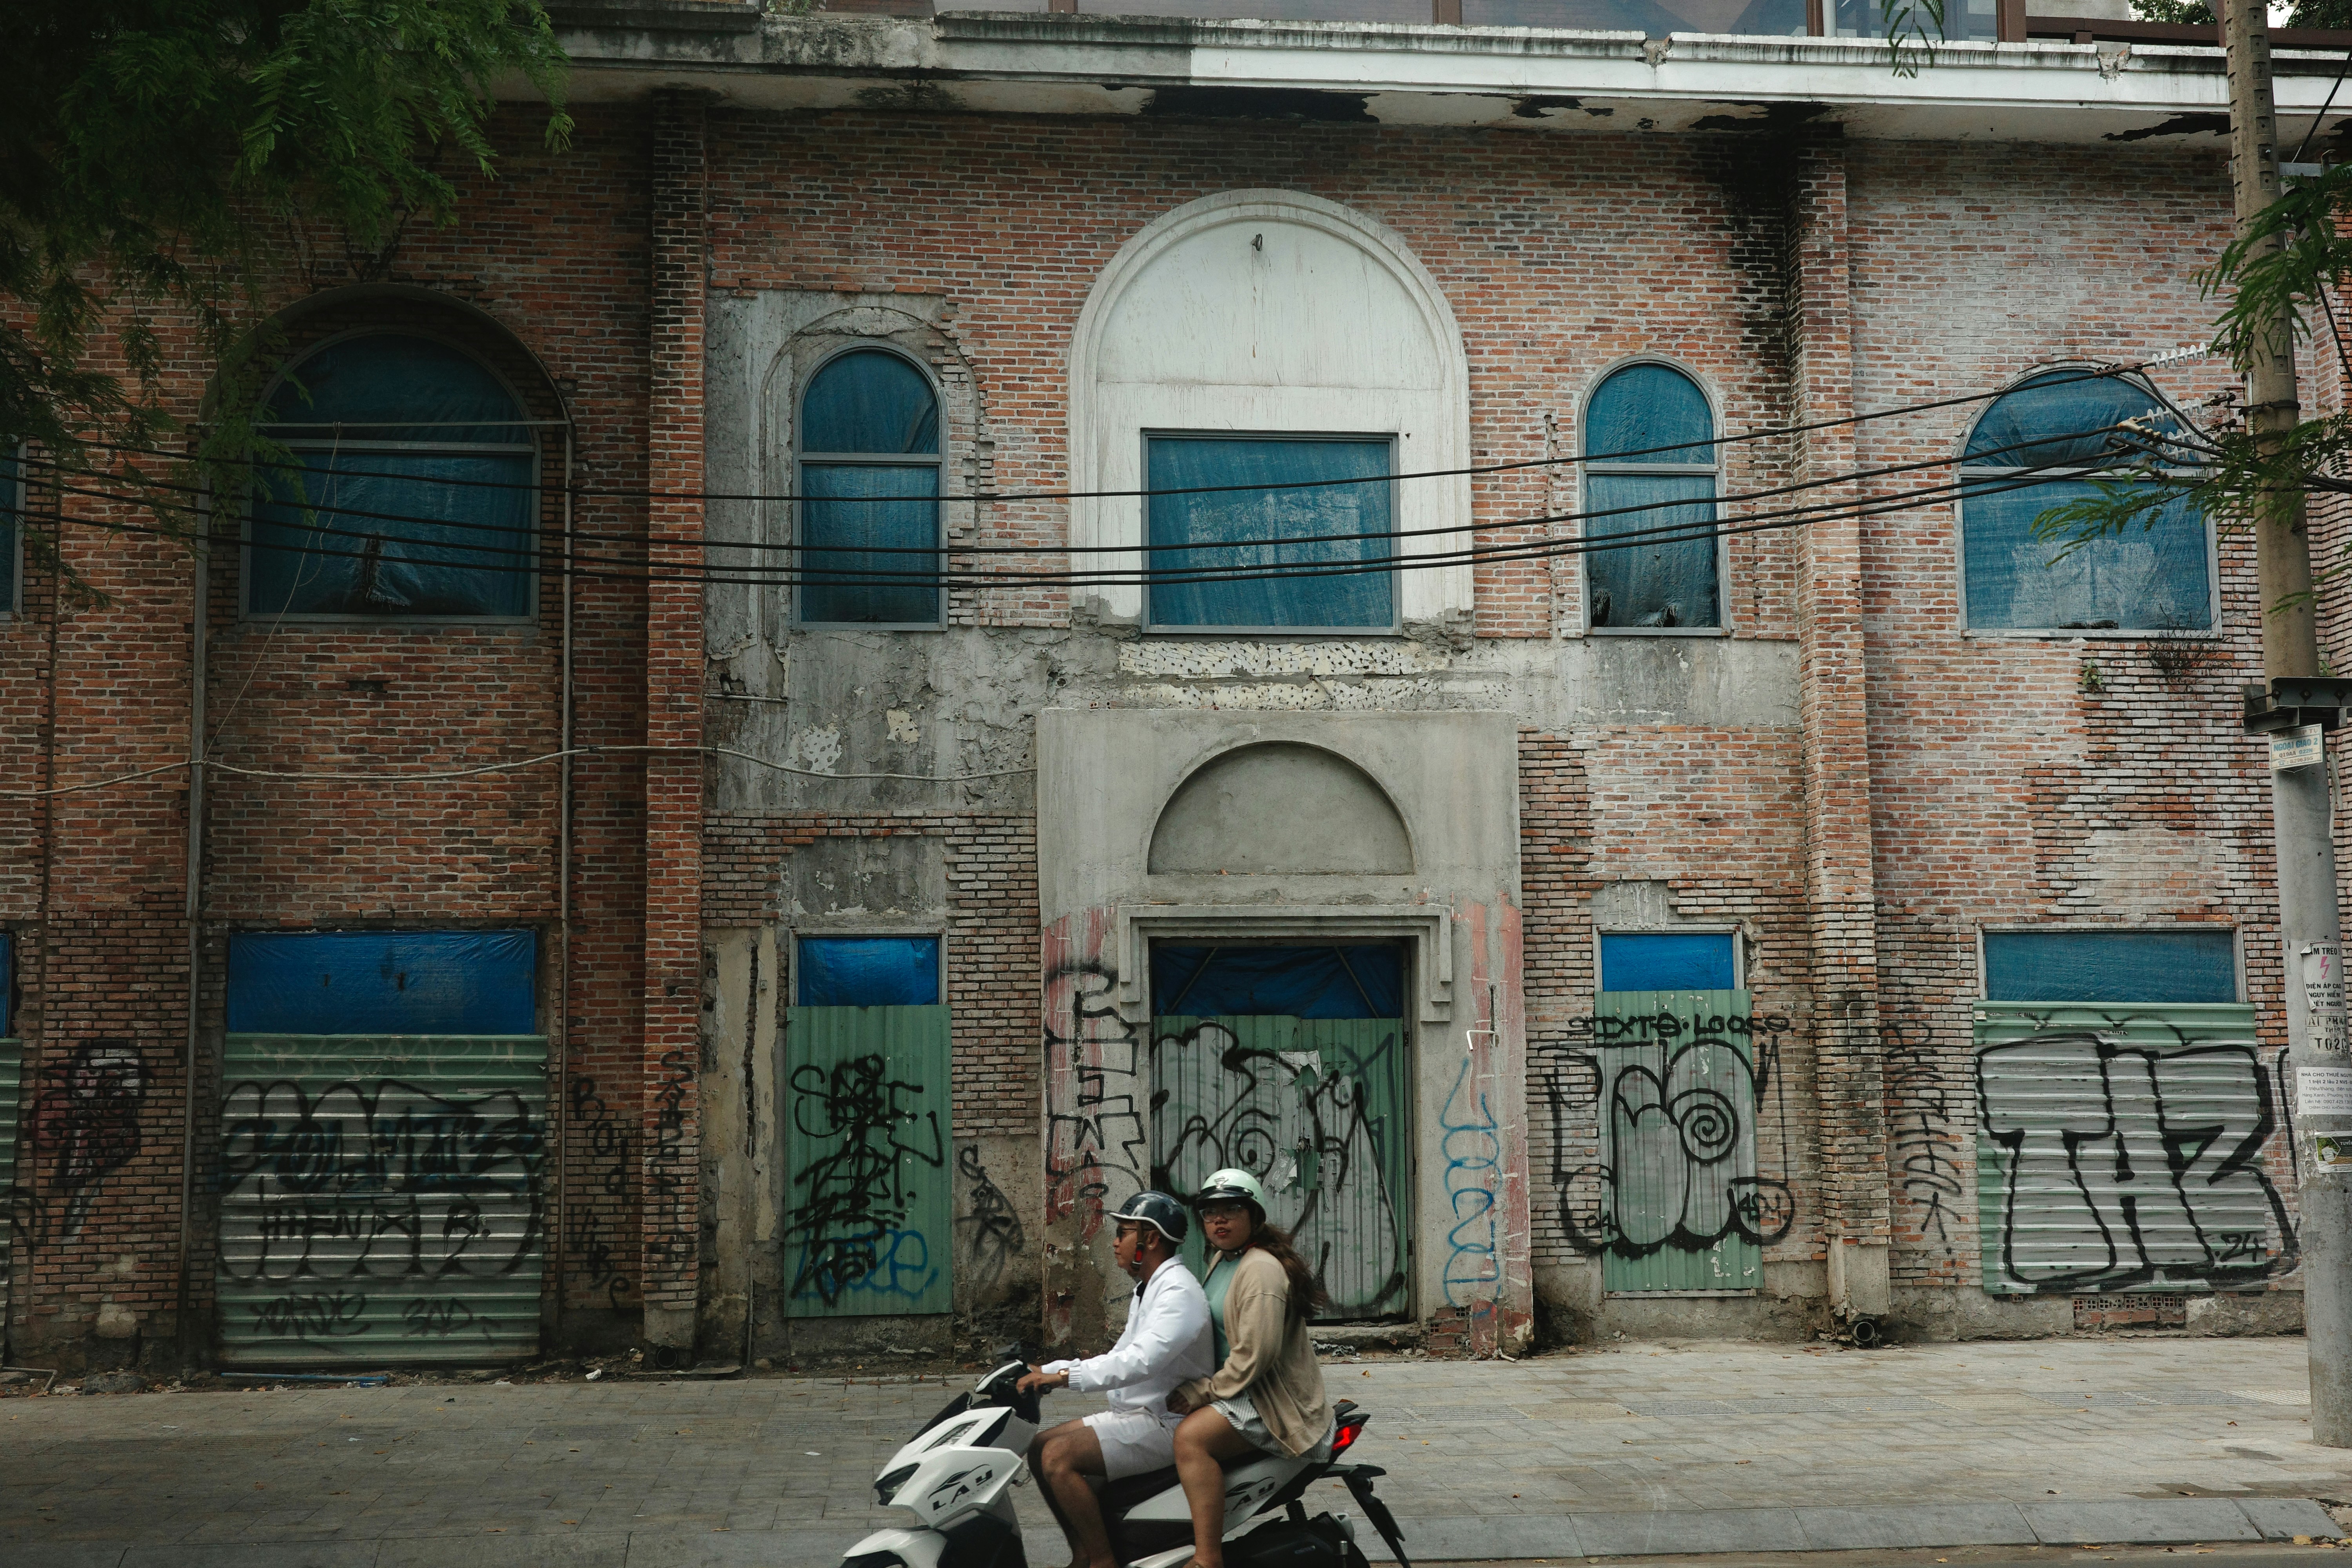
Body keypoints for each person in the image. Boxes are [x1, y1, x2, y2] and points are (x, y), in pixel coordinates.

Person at [1020, 1190, 1213, 1568]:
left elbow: (1138, 1363)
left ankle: (1103, 1560)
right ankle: (1084, 1553)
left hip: (1166, 1421)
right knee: (1040, 1445)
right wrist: (1045, 1370)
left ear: (1152, 1239)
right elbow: (1119, 1356)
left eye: (1123, 1233)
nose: (1115, 1242)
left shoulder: (1178, 1294)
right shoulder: (1151, 1288)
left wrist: (1064, 1377)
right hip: (1137, 1413)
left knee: (1059, 1459)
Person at [1166, 1168, 1335, 1568]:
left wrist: (1202, 1391)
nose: (1219, 1220)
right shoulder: (1223, 1259)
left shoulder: (1260, 1269)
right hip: (1241, 1385)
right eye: (1210, 1213)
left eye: (1231, 1210)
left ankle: (1208, 1557)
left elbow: (1255, 1355)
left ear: (1253, 1216)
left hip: (1269, 1397)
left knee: (1191, 1439)